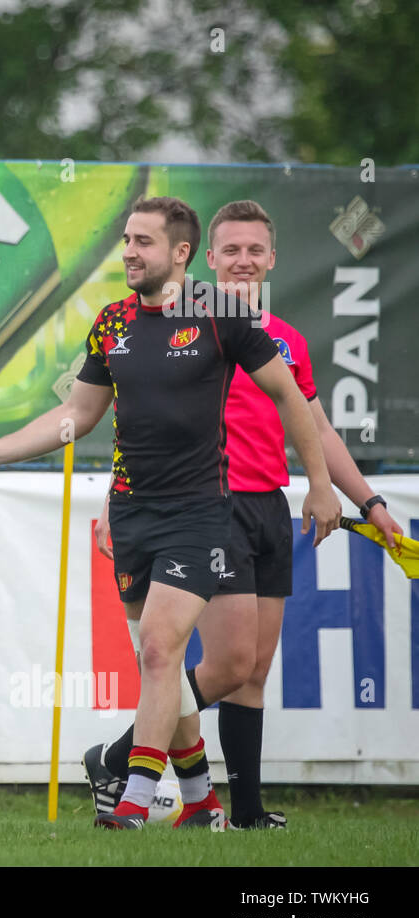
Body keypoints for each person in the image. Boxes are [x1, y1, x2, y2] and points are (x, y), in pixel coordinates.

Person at [0, 196, 340, 830]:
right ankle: (199, 803)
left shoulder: (221, 313)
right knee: (162, 664)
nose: (128, 251)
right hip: (131, 513)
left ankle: (131, 802)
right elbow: (77, 416)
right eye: (125, 239)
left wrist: (320, 486)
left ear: (180, 253)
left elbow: (290, 396)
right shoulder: (111, 322)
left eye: (143, 241)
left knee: (157, 650)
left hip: (201, 513)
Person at [83, 199, 403, 828]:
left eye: (255, 250)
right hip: (209, 506)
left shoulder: (286, 339)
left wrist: (366, 499)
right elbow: (144, 424)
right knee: (217, 663)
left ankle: (243, 812)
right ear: (205, 258)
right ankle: (128, 762)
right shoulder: (191, 323)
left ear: (272, 260)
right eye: (230, 250)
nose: (242, 261)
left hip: (269, 510)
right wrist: (110, 503)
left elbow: (315, 426)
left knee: (251, 671)